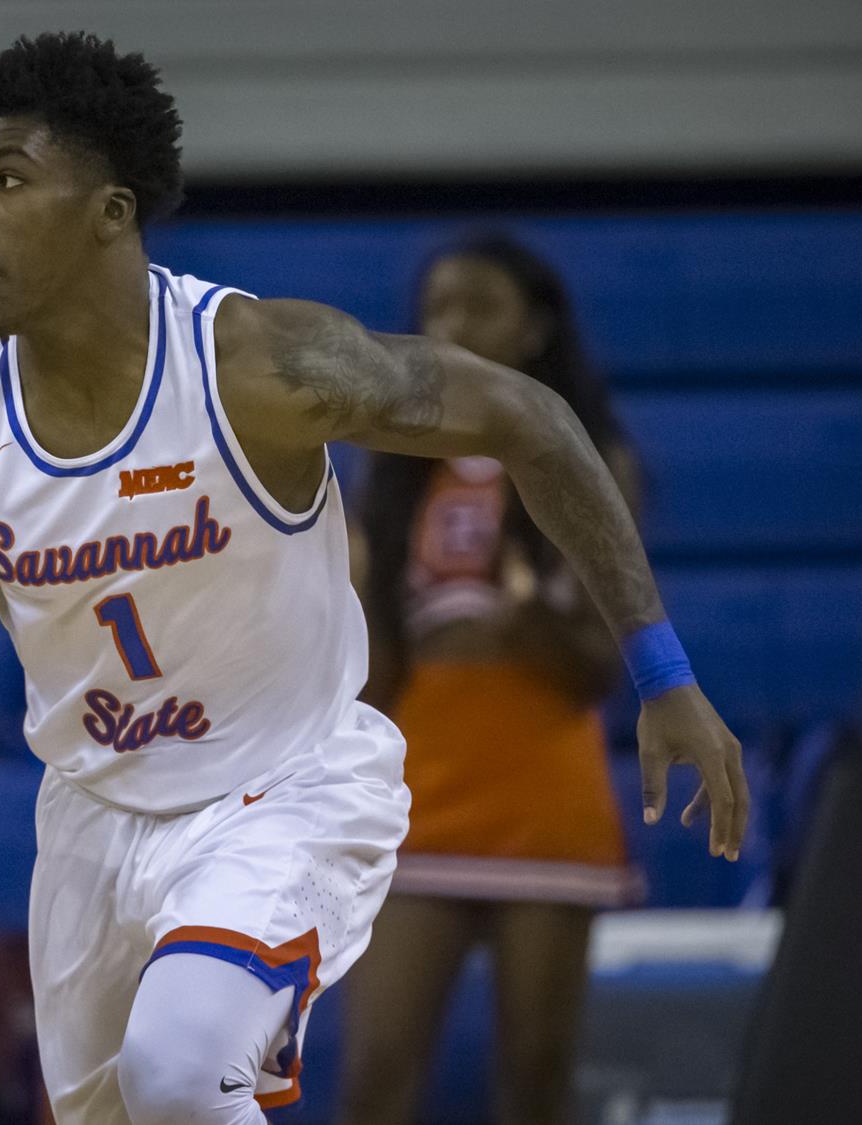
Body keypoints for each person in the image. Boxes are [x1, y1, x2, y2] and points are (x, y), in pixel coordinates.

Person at [0, 32, 750, 1125]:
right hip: (92, 819)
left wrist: (662, 671)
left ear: (109, 215)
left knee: (183, 1067)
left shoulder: (254, 366)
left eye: (7, 181)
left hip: (281, 786)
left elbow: (532, 418)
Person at [340, 233, 645, 1125]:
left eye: (480, 306)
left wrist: (525, 610)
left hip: (544, 789)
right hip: (417, 790)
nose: (453, 325)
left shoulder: (591, 465)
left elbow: (596, 669)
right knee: (376, 1072)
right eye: (438, 307)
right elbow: (374, 678)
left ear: (535, 328)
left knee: (536, 1081)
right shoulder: (391, 467)